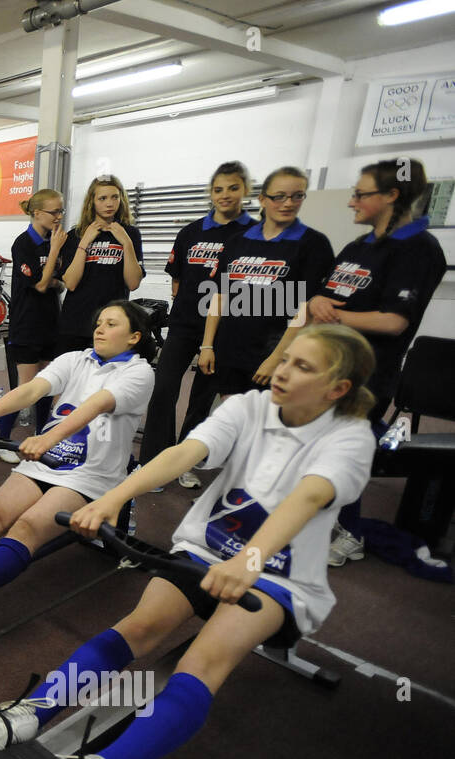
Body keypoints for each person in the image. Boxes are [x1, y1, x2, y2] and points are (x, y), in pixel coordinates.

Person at [0, 325, 377, 759]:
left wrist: (249, 561)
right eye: (285, 358)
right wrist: (111, 499)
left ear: (339, 389)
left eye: (303, 366)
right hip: (202, 551)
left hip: (277, 576)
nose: (283, 370)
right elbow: (183, 455)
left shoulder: (350, 437)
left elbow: (308, 496)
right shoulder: (247, 406)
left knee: (199, 664)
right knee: (135, 629)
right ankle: (29, 712)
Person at [0, 302, 157, 634]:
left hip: (90, 475)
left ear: (134, 337)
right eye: (99, 322)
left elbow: (98, 404)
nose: (99, 328)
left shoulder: (139, 372)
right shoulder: (74, 359)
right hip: (46, 463)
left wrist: (48, 439)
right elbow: (32, 390)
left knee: (26, 528)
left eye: (111, 324)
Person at [255, 158, 447, 565]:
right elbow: (320, 297)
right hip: (325, 366)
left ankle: (351, 534)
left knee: (344, 453)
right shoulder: (358, 247)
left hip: (365, 374)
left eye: (360, 194)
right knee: (313, 448)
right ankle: (308, 519)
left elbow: (394, 321)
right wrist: (319, 302)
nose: (351, 202)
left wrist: (334, 314)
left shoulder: (418, 248)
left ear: (391, 196)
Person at [140, 162, 254, 490]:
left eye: (233, 188)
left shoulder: (252, 233)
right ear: (211, 193)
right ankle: (153, 463)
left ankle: (185, 461)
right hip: (184, 324)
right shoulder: (191, 231)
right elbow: (176, 281)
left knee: (201, 400)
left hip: (225, 330)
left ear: (245, 190)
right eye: (219, 189)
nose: (226, 195)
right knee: (163, 390)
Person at [196, 166, 335, 424]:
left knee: (268, 424)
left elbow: (306, 309)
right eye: (279, 196)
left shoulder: (312, 244)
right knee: (236, 419)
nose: (288, 203)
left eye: (297, 196)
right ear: (263, 199)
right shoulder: (238, 241)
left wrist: (277, 358)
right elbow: (218, 296)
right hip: (231, 348)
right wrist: (207, 345)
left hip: (274, 351)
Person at [0, 189, 69, 463]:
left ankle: (40, 436)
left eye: (61, 211)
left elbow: (60, 282)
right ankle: (0, 440)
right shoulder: (23, 243)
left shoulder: (55, 239)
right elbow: (39, 284)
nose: (59, 217)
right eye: (54, 212)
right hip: (26, 323)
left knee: (45, 385)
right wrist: (53, 259)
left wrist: (52, 277)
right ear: (37, 213)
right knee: (24, 388)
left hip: (51, 321)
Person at [57, 175, 145, 355]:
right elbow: (71, 283)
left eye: (114, 197)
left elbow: (133, 283)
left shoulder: (131, 234)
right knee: (72, 381)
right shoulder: (76, 234)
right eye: (102, 198)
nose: (109, 203)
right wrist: (85, 242)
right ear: (92, 202)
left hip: (112, 325)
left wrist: (126, 244)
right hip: (75, 323)